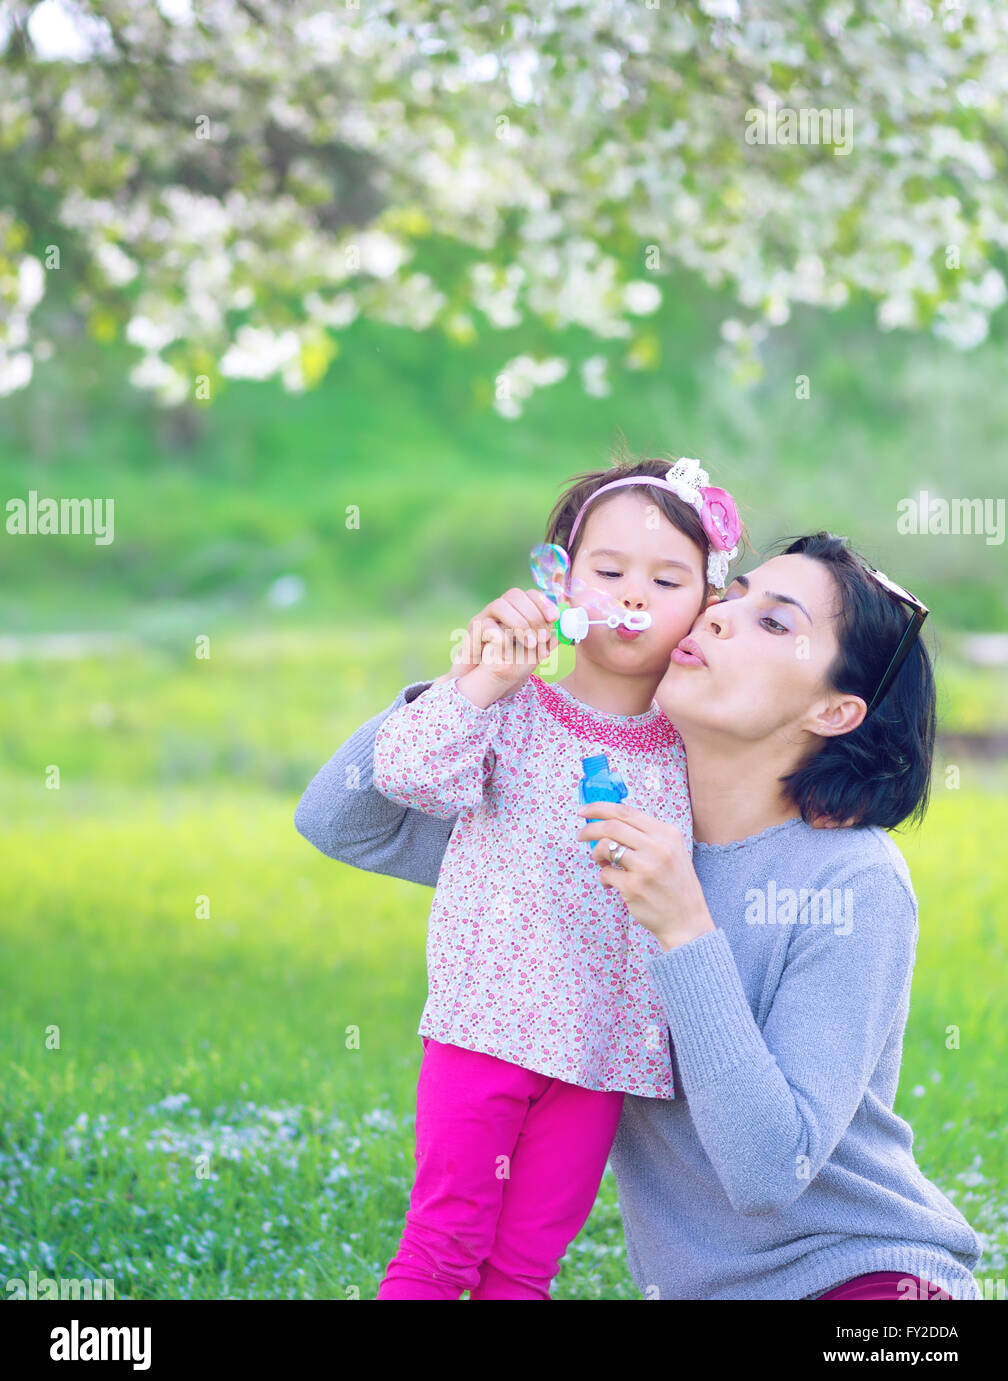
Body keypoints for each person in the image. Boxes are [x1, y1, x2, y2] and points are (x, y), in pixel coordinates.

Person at [294, 521, 985, 1302]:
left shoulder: (851, 881)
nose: (718, 616)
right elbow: (339, 821)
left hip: (867, 1281)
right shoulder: (593, 826)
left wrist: (683, 927)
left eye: (774, 622)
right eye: (732, 596)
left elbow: (768, 1172)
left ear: (833, 712)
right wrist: (466, 690)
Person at [370, 453, 746, 1298]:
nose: (633, 596)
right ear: (562, 582)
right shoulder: (515, 707)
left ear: (706, 606)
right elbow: (407, 774)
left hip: (604, 1053)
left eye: (667, 579)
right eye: (608, 571)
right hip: (484, 1029)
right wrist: (486, 676)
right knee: (440, 1249)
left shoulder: (694, 750)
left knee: (525, 1269)